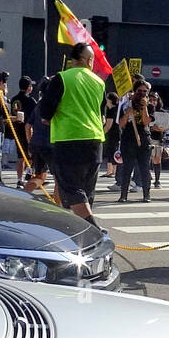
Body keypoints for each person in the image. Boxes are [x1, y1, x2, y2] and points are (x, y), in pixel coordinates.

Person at [40, 43, 105, 223]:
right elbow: (102, 113)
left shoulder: (61, 78)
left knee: (71, 188)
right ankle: (80, 231)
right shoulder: (99, 82)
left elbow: (45, 112)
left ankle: (93, 229)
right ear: (88, 60)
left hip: (69, 139)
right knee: (86, 191)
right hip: (95, 141)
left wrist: (48, 117)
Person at [117, 79, 154, 203]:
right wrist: (127, 114)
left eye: (145, 91)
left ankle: (146, 194)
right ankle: (123, 195)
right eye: (140, 91)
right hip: (129, 139)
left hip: (143, 138)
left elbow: (146, 122)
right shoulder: (126, 104)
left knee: (144, 168)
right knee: (127, 168)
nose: (142, 93)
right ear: (135, 91)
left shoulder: (150, 105)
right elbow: (121, 124)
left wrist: (144, 108)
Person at [25, 76, 57, 199]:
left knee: (39, 177)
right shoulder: (55, 105)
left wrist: (30, 142)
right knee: (59, 179)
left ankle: (23, 196)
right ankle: (57, 205)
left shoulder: (39, 105)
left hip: (36, 144)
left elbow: (28, 125)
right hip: (51, 145)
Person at [148, 90, 169, 188]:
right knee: (146, 159)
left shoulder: (162, 112)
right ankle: (146, 177)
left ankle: (157, 180)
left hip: (158, 138)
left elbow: (168, 126)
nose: (153, 101)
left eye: (155, 100)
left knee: (157, 160)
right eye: (150, 99)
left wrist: (162, 128)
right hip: (147, 137)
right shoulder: (146, 110)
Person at [102, 92, 121, 177]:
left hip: (112, 133)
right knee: (114, 151)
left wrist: (102, 133)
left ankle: (111, 171)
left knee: (111, 151)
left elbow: (108, 125)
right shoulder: (117, 109)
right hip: (117, 132)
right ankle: (112, 170)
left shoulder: (111, 110)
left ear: (109, 100)